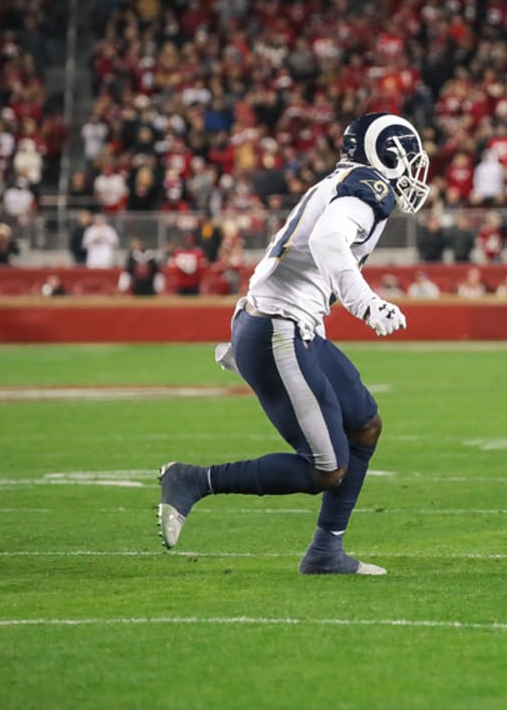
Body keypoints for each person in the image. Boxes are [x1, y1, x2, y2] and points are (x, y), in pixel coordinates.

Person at [157, 112, 431, 575]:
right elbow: (327, 240)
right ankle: (193, 480)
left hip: (290, 325)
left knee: (365, 424)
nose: (413, 174)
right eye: (409, 161)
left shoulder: (340, 182)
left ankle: (327, 551)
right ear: (388, 155)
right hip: (277, 330)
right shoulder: (368, 189)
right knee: (326, 469)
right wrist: (365, 302)